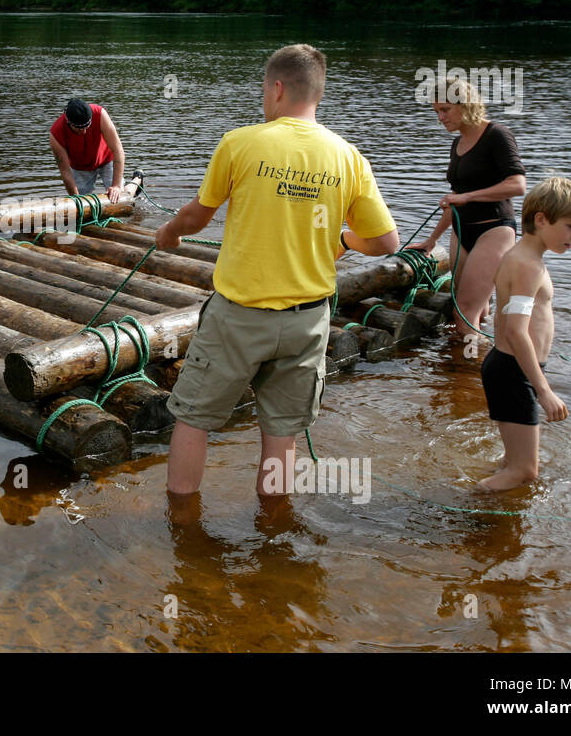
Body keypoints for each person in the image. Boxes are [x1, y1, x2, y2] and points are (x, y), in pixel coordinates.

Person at [156, 44, 399, 498]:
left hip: (240, 317)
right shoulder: (348, 156)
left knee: (193, 419)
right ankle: (273, 530)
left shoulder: (242, 142)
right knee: (282, 433)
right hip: (308, 321)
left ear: (278, 88)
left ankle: (182, 529)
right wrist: (344, 239)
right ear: (318, 94)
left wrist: (168, 234)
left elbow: (196, 218)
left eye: (264, 90)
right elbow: (387, 243)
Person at [478, 177, 571, 491]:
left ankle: (484, 509)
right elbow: (516, 330)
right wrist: (543, 390)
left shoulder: (525, 258)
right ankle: (462, 509)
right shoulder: (527, 265)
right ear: (541, 220)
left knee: (512, 464)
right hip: (514, 372)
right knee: (524, 473)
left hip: (510, 369)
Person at [407, 78, 526, 337]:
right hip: (462, 233)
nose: (440, 117)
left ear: (465, 105)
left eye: (445, 110)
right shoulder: (457, 144)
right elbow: (455, 197)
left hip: (493, 231)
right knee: (476, 308)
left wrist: (468, 197)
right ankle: (472, 364)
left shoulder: (497, 134)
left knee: (463, 314)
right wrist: (432, 240)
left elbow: (517, 185)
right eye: (436, 111)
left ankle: (467, 371)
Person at [49, 98, 126, 201]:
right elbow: (65, 172)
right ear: (68, 122)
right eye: (79, 129)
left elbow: (118, 150)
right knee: (79, 200)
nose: (84, 132)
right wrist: (76, 198)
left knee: (120, 195)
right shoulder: (56, 134)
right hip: (80, 167)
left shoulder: (100, 114)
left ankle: (137, 179)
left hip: (106, 159)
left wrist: (116, 186)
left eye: (87, 127)